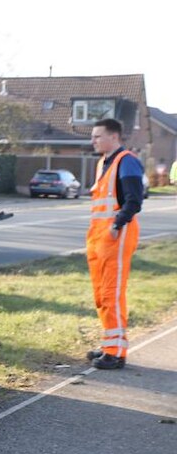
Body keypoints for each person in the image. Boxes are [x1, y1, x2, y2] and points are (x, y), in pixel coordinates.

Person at [85, 118, 144, 370]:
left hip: (116, 236)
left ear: (114, 137)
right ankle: (109, 344)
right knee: (101, 294)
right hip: (100, 237)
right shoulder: (103, 162)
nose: (93, 140)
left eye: (98, 136)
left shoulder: (126, 160)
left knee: (112, 293)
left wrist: (117, 224)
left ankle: (116, 353)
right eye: (94, 136)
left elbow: (134, 200)